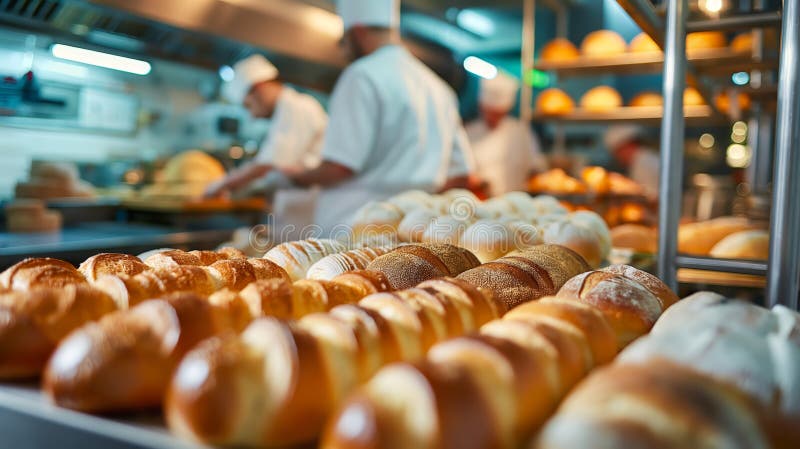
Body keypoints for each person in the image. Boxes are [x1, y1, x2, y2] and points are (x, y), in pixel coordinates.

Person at [278, 0, 472, 234]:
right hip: (414, 230)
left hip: (353, 231)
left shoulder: (361, 75)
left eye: (344, 40)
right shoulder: (439, 89)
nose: (344, 49)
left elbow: (340, 166)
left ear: (358, 31)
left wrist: (294, 178)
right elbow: (462, 172)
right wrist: (416, 202)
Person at [204, 54, 327, 198]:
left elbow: (268, 164)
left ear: (259, 88)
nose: (252, 116)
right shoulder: (285, 112)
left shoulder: (297, 107)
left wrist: (219, 185)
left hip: (309, 205)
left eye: (248, 106)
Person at [465, 72, 547, 196]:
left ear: (506, 110)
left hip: (517, 202)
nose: (493, 118)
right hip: (480, 203)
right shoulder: (469, 132)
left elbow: (536, 166)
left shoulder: (521, 131)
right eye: (490, 112)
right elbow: (462, 172)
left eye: (498, 114)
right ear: (482, 107)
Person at [605, 125, 660, 198]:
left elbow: (653, 197)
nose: (618, 158)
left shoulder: (646, 163)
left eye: (617, 152)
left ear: (627, 145)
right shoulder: (643, 159)